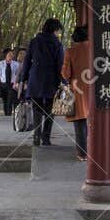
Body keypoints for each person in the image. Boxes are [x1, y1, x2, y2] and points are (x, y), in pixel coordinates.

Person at [18, 17, 65, 147]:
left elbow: (27, 61)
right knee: (50, 109)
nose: (58, 33)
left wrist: (23, 79)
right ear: (54, 30)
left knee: (36, 108)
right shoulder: (57, 44)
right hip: (51, 79)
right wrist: (64, 81)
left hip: (35, 78)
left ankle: (36, 137)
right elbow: (60, 65)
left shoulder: (34, 41)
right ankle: (46, 138)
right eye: (58, 30)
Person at [62, 24, 91, 159]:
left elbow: (65, 73)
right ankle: (97, 150)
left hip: (77, 88)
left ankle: (82, 154)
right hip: (94, 88)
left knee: (80, 123)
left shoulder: (71, 51)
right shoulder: (96, 49)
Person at [0, 47, 18, 116]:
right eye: (9, 54)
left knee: (10, 100)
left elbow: (18, 75)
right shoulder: (1, 64)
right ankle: (6, 114)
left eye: (12, 54)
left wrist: (16, 83)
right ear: (6, 55)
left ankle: (9, 114)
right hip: (3, 85)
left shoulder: (16, 64)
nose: (11, 55)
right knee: (5, 101)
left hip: (12, 85)